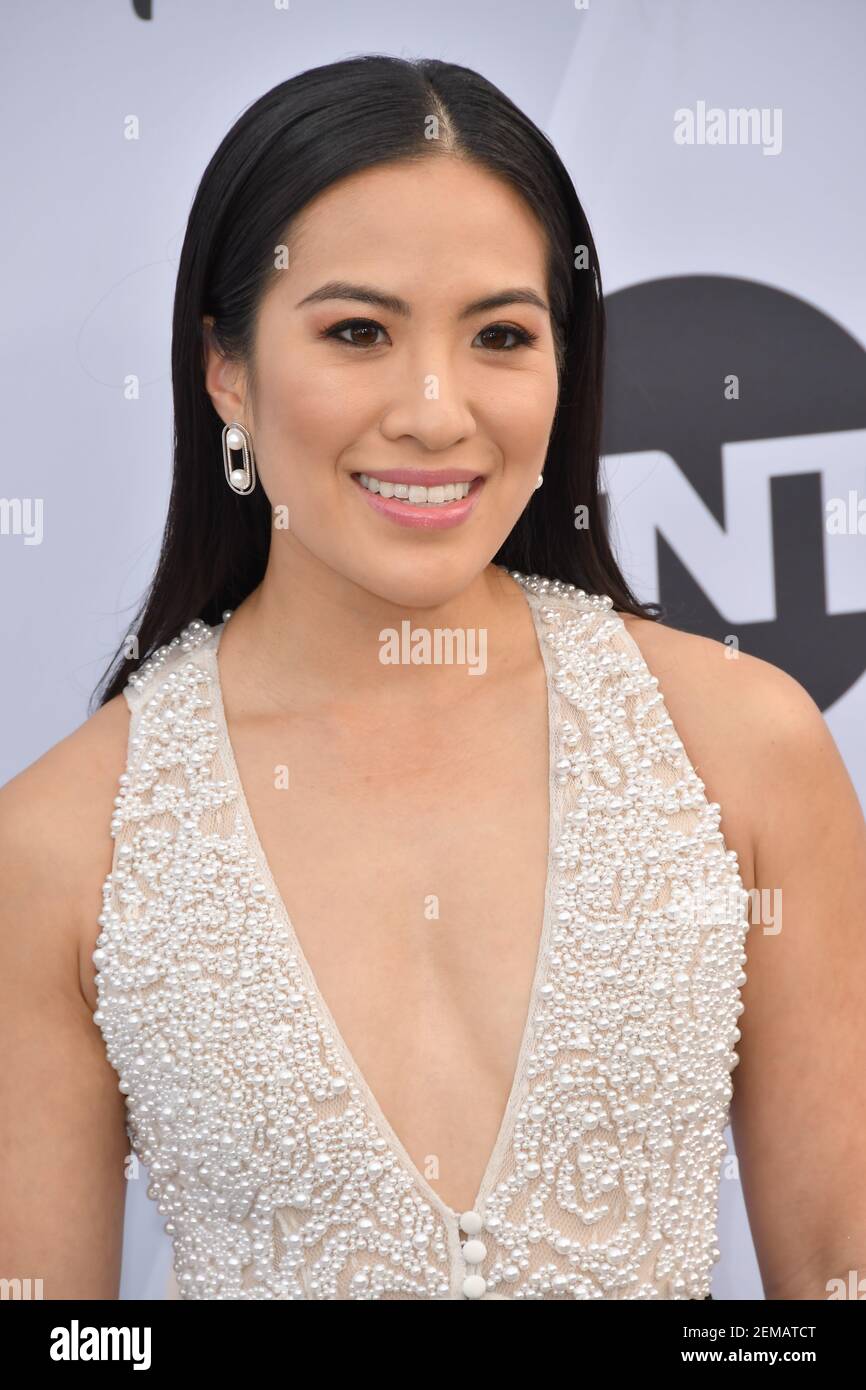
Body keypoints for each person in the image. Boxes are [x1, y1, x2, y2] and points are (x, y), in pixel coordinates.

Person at [1, 55, 864, 1302]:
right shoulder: (61, 845)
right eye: (358, 331)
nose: (434, 410)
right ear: (225, 369)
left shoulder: (739, 746)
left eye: (499, 336)